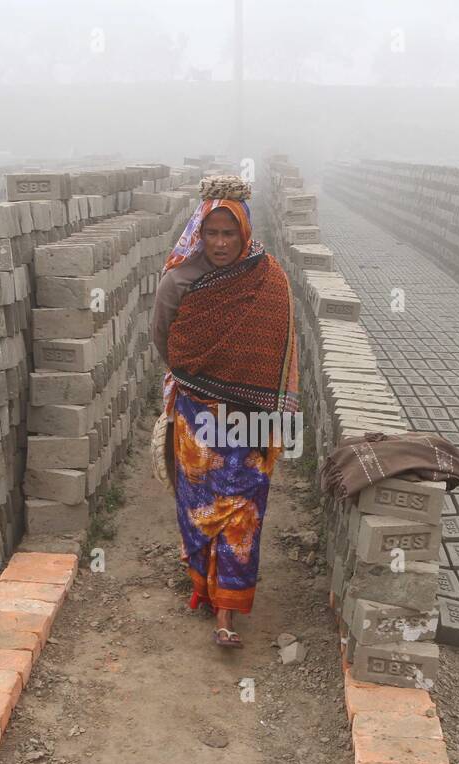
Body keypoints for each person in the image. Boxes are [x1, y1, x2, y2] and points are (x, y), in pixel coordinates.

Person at [151, 175, 299, 648]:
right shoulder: (178, 281)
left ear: (244, 232)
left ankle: (228, 613)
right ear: (199, 232)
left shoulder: (268, 278)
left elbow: (281, 346)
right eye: (211, 232)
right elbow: (165, 341)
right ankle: (203, 588)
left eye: (228, 233)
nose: (219, 242)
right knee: (201, 505)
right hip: (197, 416)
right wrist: (198, 377)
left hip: (251, 419)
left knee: (243, 508)